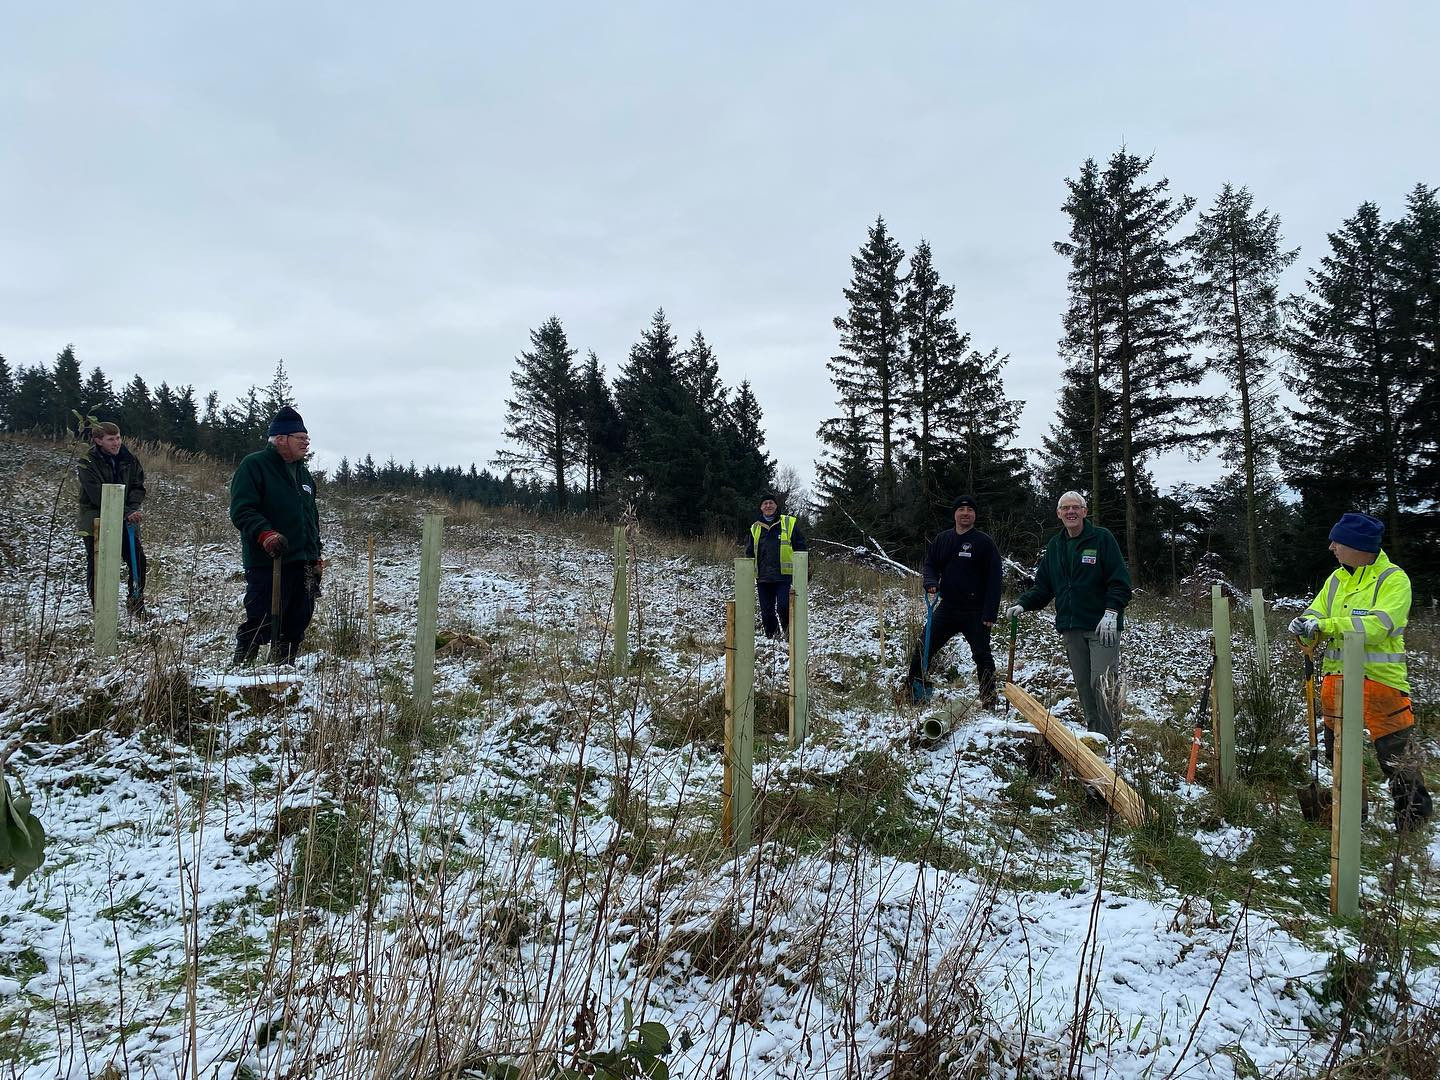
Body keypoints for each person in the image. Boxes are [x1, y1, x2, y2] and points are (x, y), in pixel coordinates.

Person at [1288, 512, 1432, 832]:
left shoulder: (1393, 580)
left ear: (1358, 546)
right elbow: (1316, 612)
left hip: (1382, 685)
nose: (1331, 547)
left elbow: (1379, 627)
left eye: (1337, 542)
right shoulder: (1337, 579)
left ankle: (1412, 821)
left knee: (1396, 757)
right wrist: (1304, 627)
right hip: (1337, 682)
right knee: (1337, 752)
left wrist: (1324, 625)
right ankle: (1352, 815)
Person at [1007, 490, 1132, 742]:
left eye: (1076, 507)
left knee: (1102, 683)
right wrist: (1023, 603)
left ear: (1085, 512)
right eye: (1066, 508)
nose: (1071, 512)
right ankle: (1095, 736)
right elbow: (1043, 587)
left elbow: (1120, 582)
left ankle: (1110, 740)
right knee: (1084, 687)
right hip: (1071, 628)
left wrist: (1111, 611)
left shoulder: (1101, 539)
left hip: (1102, 627)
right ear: (1059, 514)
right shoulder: (1055, 546)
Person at [229, 407, 322, 665]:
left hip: (302, 562)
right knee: (261, 620)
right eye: (299, 437)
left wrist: (315, 556)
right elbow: (242, 510)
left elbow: (311, 518)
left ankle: (281, 674)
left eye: (306, 437)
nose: (306, 441)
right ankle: (241, 671)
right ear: (280, 439)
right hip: (268, 561)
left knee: (297, 621)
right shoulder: (254, 465)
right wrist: (265, 534)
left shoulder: (304, 474)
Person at [907, 495, 1003, 707]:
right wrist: (931, 582)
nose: (965, 513)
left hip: (976, 611)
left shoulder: (984, 542)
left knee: (982, 655)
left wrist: (990, 613)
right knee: (923, 647)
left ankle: (988, 699)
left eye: (970, 510)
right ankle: (913, 694)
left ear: (975, 515)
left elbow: (995, 579)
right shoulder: (943, 539)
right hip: (947, 607)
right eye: (961, 510)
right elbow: (930, 564)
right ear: (955, 514)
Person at [76, 422, 147, 613]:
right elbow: (95, 494)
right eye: (110, 440)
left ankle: (136, 603)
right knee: (97, 563)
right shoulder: (87, 461)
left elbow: (138, 486)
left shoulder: (129, 459)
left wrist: (131, 509)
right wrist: (126, 511)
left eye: (118, 438)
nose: (116, 443)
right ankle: (99, 606)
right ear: (98, 440)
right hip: (96, 517)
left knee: (138, 560)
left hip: (126, 519)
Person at [744, 494, 807, 640]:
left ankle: (788, 634)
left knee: (783, 607)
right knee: (767, 611)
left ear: (776, 506)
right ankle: (772, 637)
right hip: (763, 577)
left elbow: (801, 546)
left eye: (771, 503)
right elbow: (749, 552)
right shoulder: (755, 527)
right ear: (761, 507)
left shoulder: (788, 523)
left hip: (783, 576)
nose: (768, 506)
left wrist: (803, 567)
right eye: (765, 503)